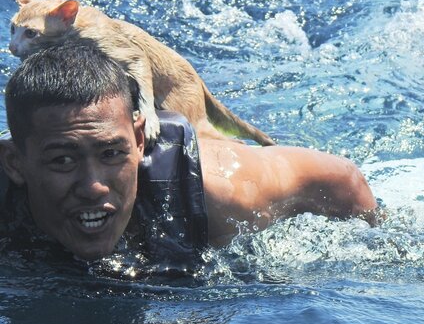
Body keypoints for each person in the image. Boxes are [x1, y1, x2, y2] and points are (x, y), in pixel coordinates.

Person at [0, 44, 377, 262]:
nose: (93, 186)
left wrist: (377, 239)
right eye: (63, 160)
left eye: (111, 153)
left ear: (139, 140)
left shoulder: (217, 191)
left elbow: (340, 178)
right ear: (15, 163)